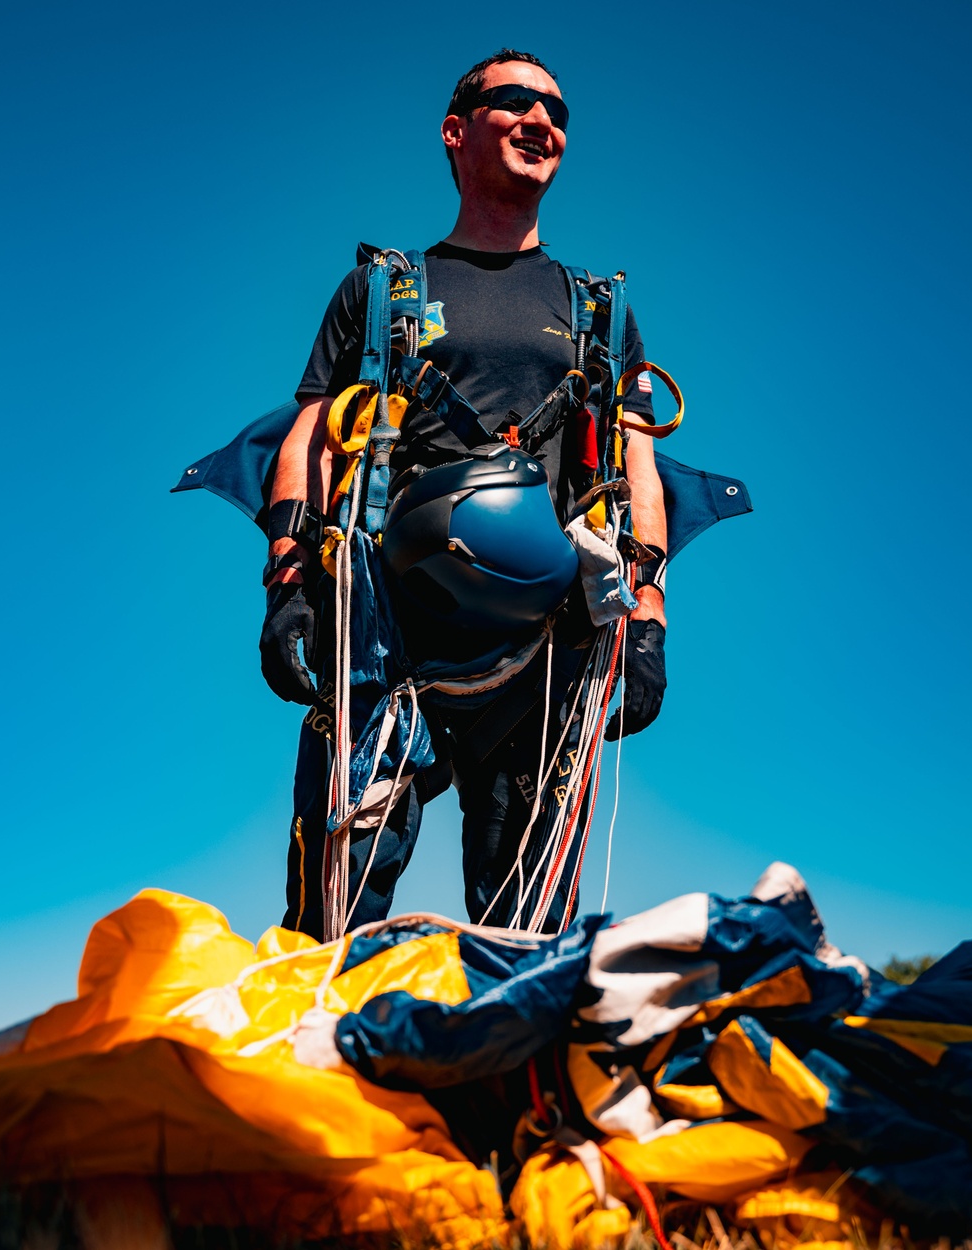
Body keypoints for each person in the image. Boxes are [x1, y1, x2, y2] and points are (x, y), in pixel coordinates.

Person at [259, 50, 669, 939]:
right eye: (515, 100)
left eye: (557, 108)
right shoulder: (380, 292)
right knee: (331, 920)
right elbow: (313, 436)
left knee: (528, 935)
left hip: (548, 643)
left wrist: (646, 623)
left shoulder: (600, 309)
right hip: (387, 633)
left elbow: (637, 460)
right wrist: (289, 585)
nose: (543, 119)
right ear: (456, 131)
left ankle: (500, 1072)